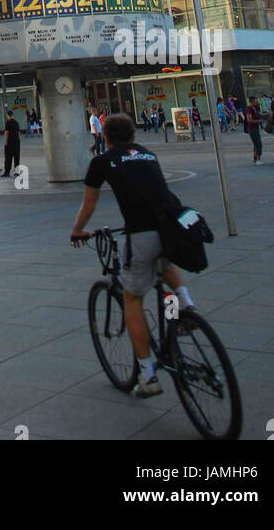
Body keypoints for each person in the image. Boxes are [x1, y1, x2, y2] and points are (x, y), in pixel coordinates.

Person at [70, 113, 196, 398]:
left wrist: (77, 230)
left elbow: (88, 206)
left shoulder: (103, 161)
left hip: (141, 234)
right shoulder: (148, 155)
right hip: (174, 228)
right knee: (164, 264)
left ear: (105, 137)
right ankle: (187, 306)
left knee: (133, 299)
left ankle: (148, 375)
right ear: (133, 135)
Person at [244, 96, 263, 165]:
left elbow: (259, 114)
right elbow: (249, 120)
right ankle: (258, 159)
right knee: (258, 143)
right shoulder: (249, 109)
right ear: (251, 102)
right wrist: (259, 121)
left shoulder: (254, 108)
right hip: (252, 128)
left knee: (256, 143)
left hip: (255, 128)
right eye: (255, 101)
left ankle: (255, 157)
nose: (256, 102)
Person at [3, 109, 21, 178]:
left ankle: (7, 172)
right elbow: (18, 132)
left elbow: (6, 132)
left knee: (8, 158)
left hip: (10, 142)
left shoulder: (8, 122)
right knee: (16, 157)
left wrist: (6, 141)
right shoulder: (16, 122)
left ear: (7, 115)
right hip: (17, 142)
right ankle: (16, 172)